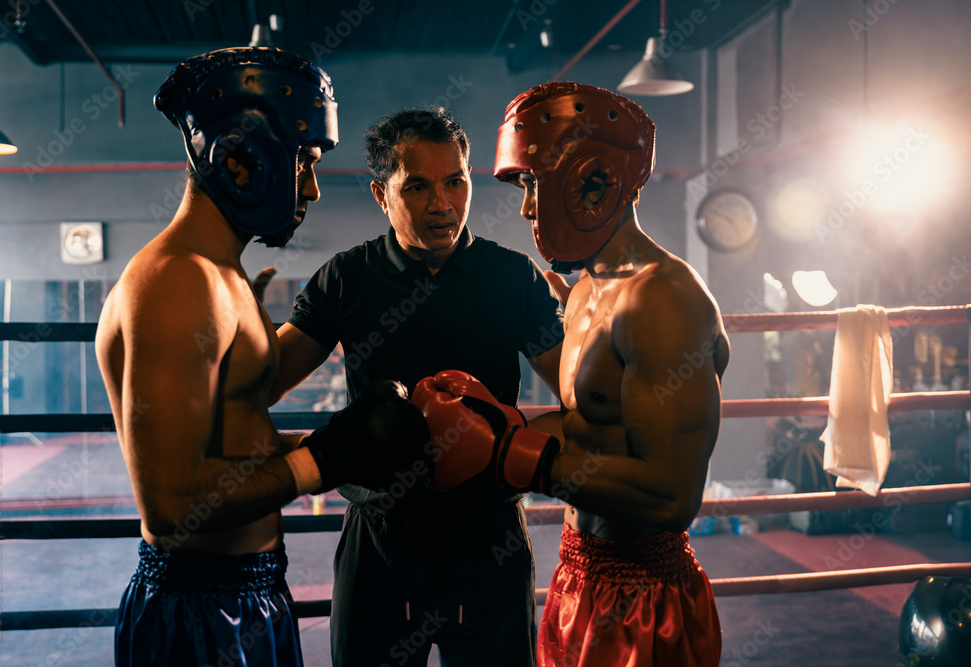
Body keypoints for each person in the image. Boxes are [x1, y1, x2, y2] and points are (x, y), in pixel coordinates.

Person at [94, 47, 429, 667]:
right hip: (200, 607)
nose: (314, 188)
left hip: (243, 594)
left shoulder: (219, 276)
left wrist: (327, 442)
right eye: (304, 159)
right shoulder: (176, 282)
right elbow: (170, 506)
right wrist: (326, 459)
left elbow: (225, 443)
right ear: (241, 156)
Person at [412, 82, 729, 665]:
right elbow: (593, 427)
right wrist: (497, 424)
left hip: (646, 595)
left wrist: (513, 455)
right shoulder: (584, 289)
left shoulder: (662, 300)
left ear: (592, 178)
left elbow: (671, 494)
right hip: (577, 570)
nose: (528, 207)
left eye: (533, 183)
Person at [268, 107, 564, 666]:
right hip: (381, 533)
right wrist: (234, 317)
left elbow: (580, 393)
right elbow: (265, 384)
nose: (442, 204)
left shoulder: (512, 277)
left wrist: (600, 325)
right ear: (382, 194)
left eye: (456, 182)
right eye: (419, 187)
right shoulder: (347, 277)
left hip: (488, 534)